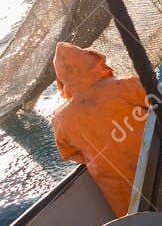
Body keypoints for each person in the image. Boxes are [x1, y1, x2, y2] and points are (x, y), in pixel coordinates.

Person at [49, 42, 149, 215]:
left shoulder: (60, 120)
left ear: (61, 80)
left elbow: (70, 154)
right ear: (93, 60)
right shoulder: (126, 85)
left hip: (125, 200)